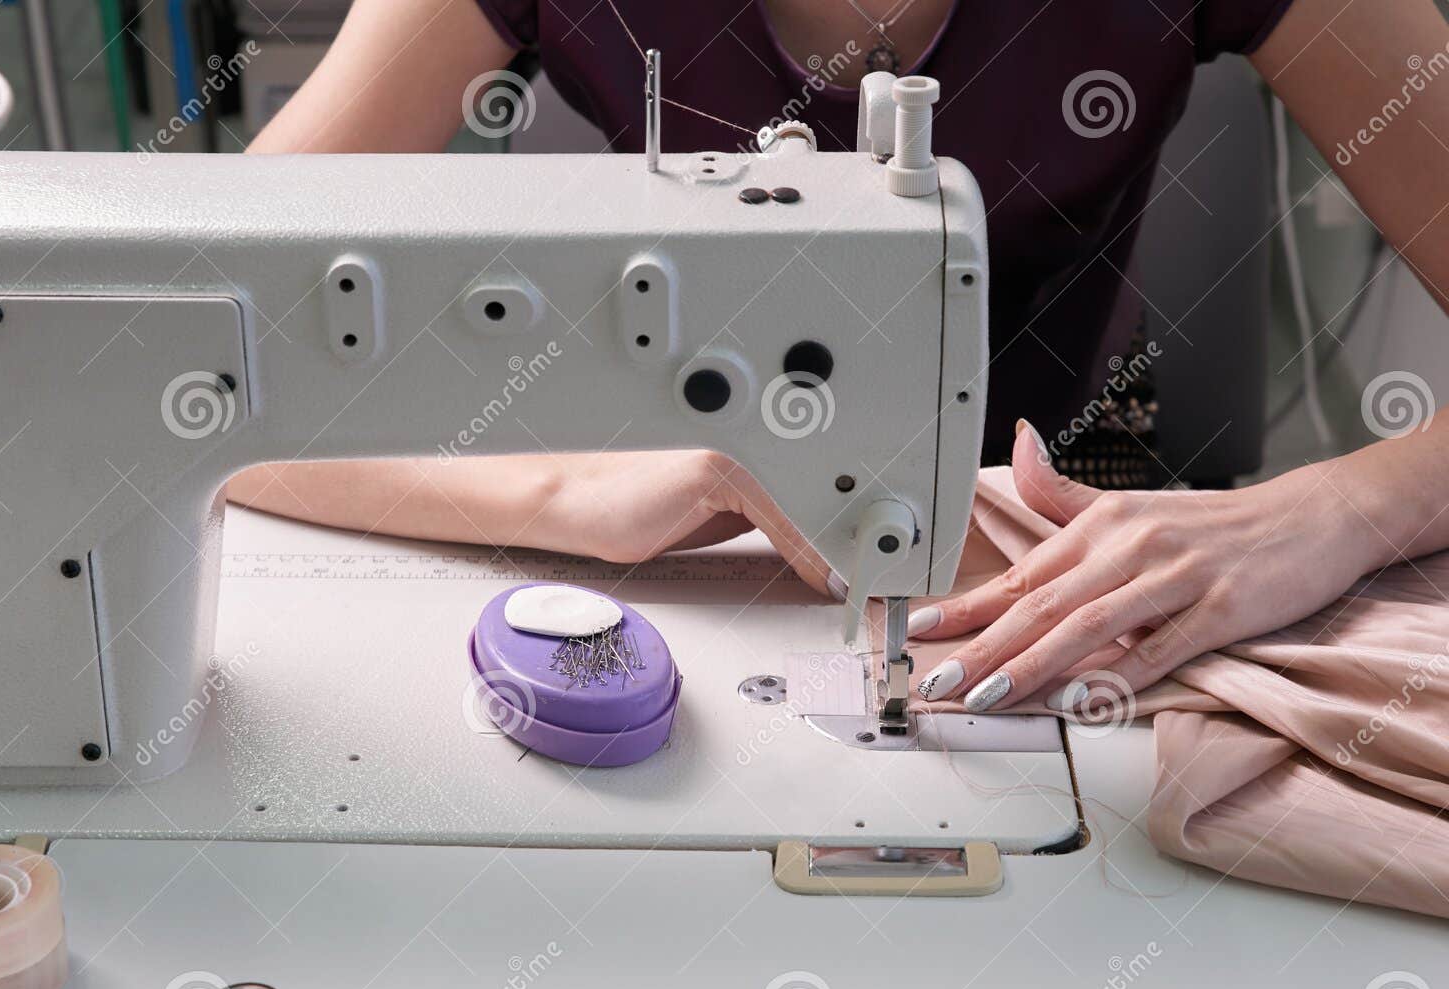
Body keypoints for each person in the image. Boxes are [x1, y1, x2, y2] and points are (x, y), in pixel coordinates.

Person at [227, 0, 1449, 710]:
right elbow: (179, 355)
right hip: (679, 564)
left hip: (1038, 552)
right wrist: (566, 487)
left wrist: (1340, 508)